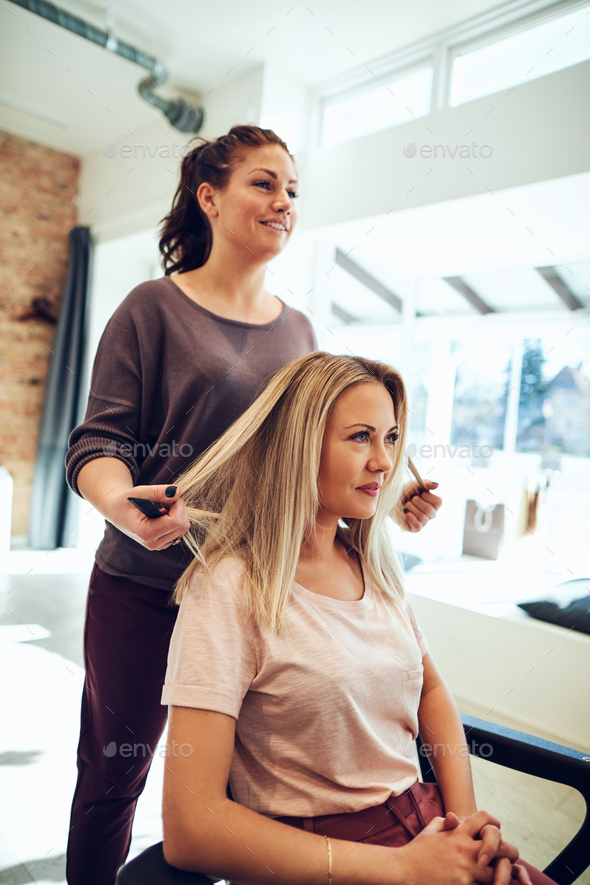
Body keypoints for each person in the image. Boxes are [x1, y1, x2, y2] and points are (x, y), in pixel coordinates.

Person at [64, 125, 441, 885]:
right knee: (117, 775)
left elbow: (314, 438)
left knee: (246, 793)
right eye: (265, 183)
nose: (284, 202)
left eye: (293, 190)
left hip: (250, 593)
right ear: (209, 196)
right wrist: (121, 504)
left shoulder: (298, 329)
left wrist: (395, 488)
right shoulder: (152, 307)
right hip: (146, 587)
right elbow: (96, 445)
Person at [156, 351, 557, 885]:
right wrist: (403, 868)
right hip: (325, 856)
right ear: (300, 446)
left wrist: (463, 827)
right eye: (361, 437)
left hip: (425, 823)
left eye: (391, 438)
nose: (385, 462)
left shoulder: (372, 563)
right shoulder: (229, 588)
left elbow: (431, 690)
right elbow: (191, 829)